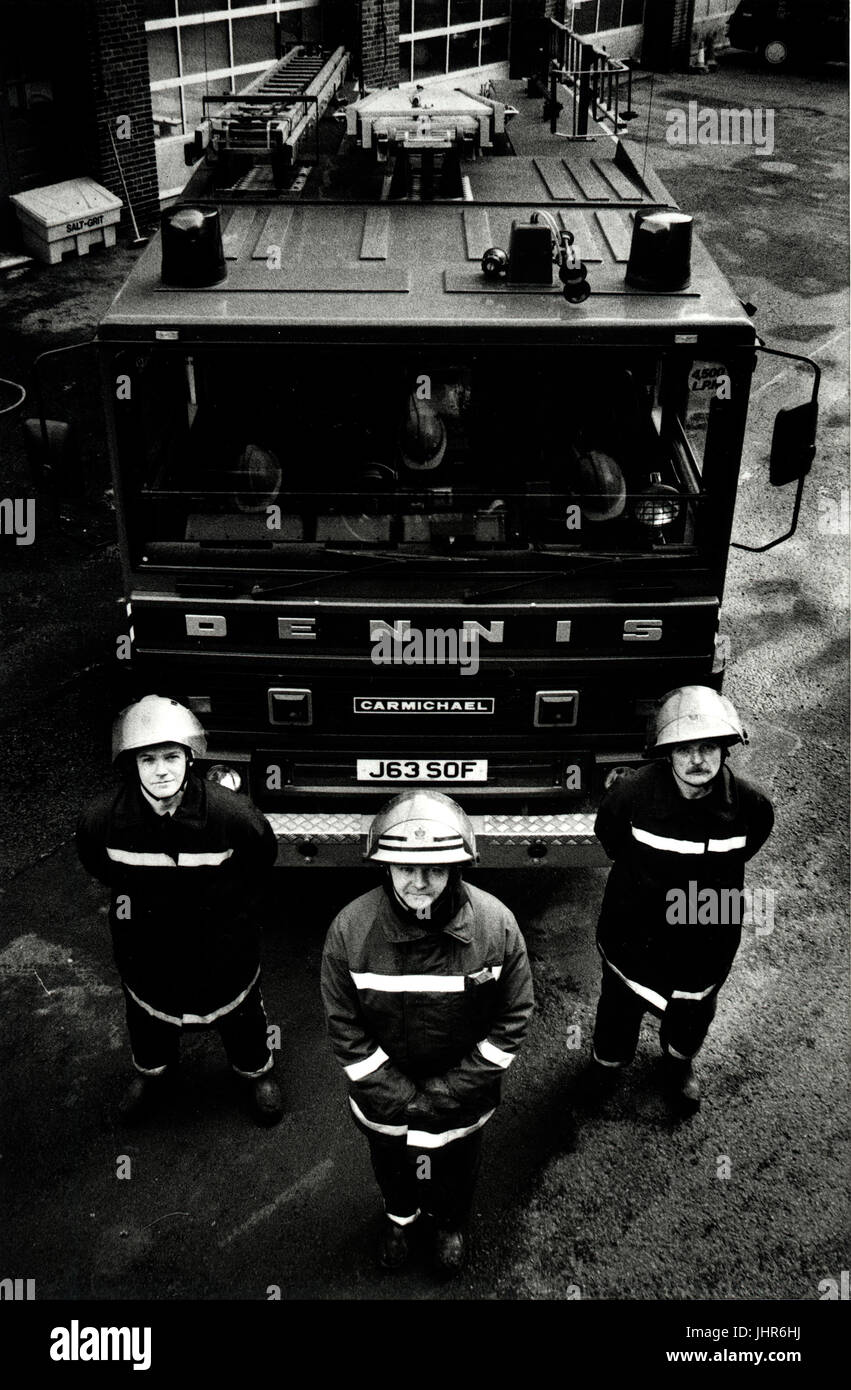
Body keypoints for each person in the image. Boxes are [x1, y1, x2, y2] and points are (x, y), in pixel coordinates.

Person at [320, 790, 534, 1274]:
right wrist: (398, 1095)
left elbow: (514, 1019)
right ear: (385, 866)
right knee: (391, 1164)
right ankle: (400, 1218)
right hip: (385, 1105)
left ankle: (449, 1224)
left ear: (457, 867)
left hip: (461, 1103)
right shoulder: (350, 930)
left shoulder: (497, 927)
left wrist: (446, 1093)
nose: (419, 882)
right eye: (405, 868)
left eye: (435, 869)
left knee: (459, 1166)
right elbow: (342, 1026)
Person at [76, 695, 283, 1126]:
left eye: (172, 756)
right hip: (145, 948)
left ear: (191, 759)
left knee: (241, 1015)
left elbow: (259, 862)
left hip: (222, 946)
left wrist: (230, 916)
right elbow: (99, 866)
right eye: (147, 759)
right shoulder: (101, 821)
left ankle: (257, 1074)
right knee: (147, 1015)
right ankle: (151, 1073)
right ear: (130, 765)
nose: (162, 770)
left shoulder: (233, 817)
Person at [588, 685, 775, 1113]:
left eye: (708, 747)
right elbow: (610, 836)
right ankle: (606, 1065)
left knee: (694, 1007)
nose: (696, 760)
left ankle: (677, 1064)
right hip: (634, 926)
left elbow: (748, 847)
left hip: (708, 928)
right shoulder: (631, 795)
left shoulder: (751, 805)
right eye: (684, 749)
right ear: (666, 754)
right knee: (619, 1004)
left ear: (726, 750)